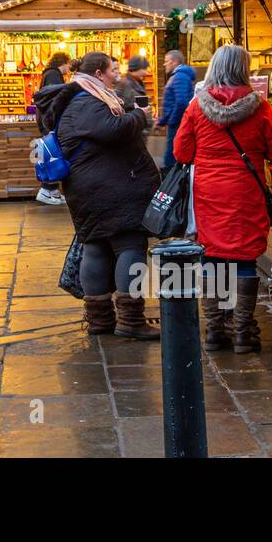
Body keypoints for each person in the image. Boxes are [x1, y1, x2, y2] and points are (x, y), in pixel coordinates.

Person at [173, 44, 272, 353]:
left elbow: (181, 152)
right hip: (244, 191)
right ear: (244, 68)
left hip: (209, 192)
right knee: (243, 257)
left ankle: (215, 330)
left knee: (212, 256)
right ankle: (242, 332)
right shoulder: (261, 107)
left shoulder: (197, 107)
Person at [34, 52, 161, 339]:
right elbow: (111, 129)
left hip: (90, 187)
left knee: (97, 246)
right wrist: (140, 116)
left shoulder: (80, 98)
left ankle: (100, 320)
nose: (117, 75)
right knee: (129, 245)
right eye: (113, 70)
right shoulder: (85, 99)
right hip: (109, 189)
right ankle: (130, 320)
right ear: (100, 72)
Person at [35, 52, 71, 206]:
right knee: (52, 154)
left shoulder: (49, 74)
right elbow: (55, 99)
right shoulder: (54, 75)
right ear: (62, 63)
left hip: (46, 120)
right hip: (49, 121)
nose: (69, 68)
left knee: (51, 153)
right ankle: (46, 190)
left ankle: (53, 191)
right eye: (68, 65)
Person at [156, 49, 197, 171]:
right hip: (176, 123)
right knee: (172, 154)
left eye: (166, 61)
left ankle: (171, 186)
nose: (164, 64)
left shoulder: (180, 77)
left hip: (177, 124)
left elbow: (181, 102)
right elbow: (173, 103)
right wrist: (162, 121)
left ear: (174, 62)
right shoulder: (180, 76)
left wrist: (171, 121)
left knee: (172, 155)